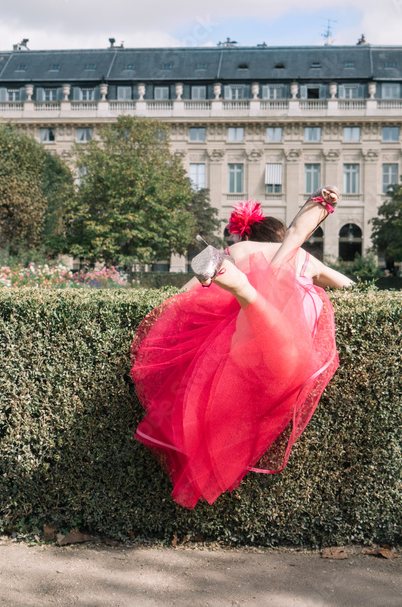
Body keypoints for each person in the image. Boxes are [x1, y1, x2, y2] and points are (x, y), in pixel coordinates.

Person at [131, 187, 354, 509]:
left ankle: (247, 290)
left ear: (246, 235)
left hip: (238, 347)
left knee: (253, 320)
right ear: (275, 234)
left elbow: (181, 298)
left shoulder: (236, 250)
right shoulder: (307, 259)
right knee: (280, 333)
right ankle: (281, 254)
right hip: (285, 347)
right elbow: (351, 286)